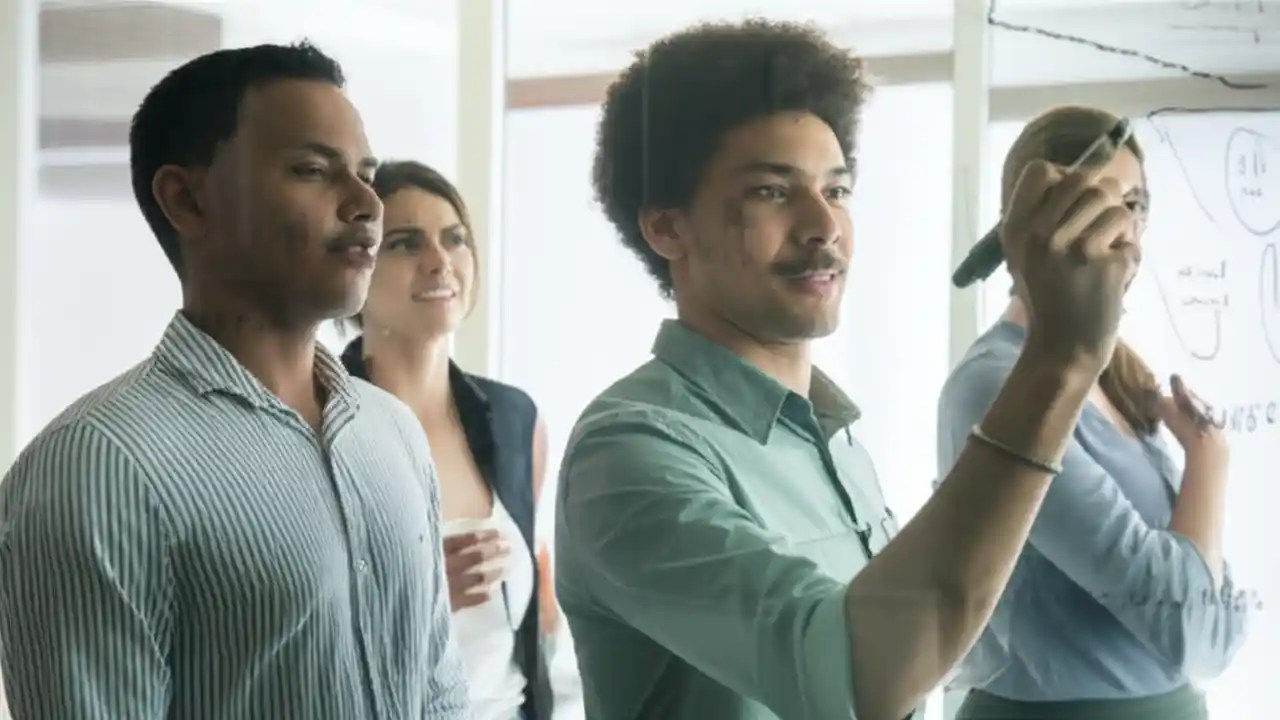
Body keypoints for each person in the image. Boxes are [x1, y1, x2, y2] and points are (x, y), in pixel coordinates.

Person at [554, 19, 1145, 720]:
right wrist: (1059, 357)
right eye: (773, 192)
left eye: (836, 192)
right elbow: (857, 673)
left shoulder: (832, 439)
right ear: (666, 227)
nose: (824, 226)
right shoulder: (628, 453)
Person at [0, 43, 468, 719]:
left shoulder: (391, 431)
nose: (368, 203)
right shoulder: (98, 467)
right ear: (187, 200)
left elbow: (441, 696)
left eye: (366, 175)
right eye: (313, 170)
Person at [936, 105, 1249, 720]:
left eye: (1135, 204)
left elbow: (1213, 630)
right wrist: (1209, 460)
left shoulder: (1116, 378)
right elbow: (1189, 628)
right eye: (1098, 202)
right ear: (1029, 221)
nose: (1125, 231)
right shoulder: (995, 387)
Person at [338, 160, 558, 719]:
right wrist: (416, 595)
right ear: (356, 266)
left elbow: (537, 627)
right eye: (405, 244)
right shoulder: (313, 428)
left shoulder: (516, 419)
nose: (440, 261)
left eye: (455, 239)